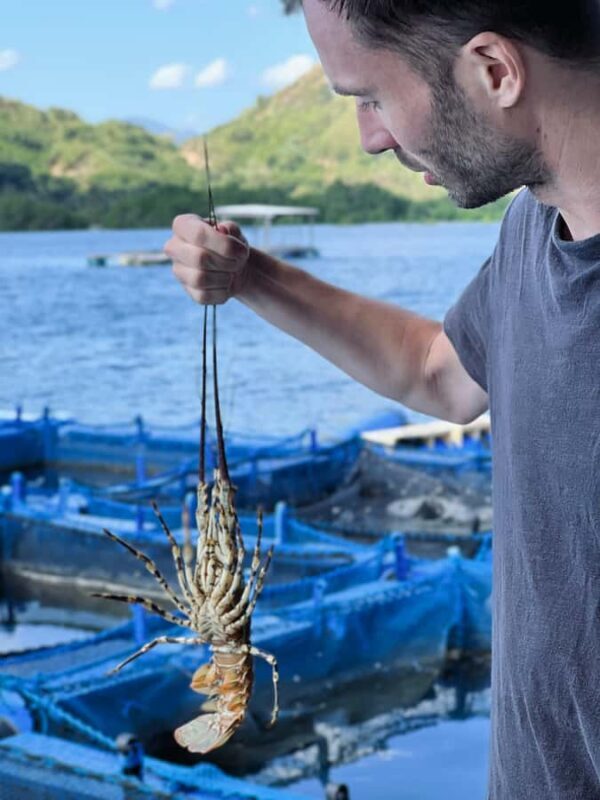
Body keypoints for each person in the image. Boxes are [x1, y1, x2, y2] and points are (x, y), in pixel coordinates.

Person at [164, 1, 600, 797]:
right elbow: (437, 370)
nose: (370, 137)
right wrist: (250, 275)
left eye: (369, 96)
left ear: (495, 71)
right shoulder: (535, 231)